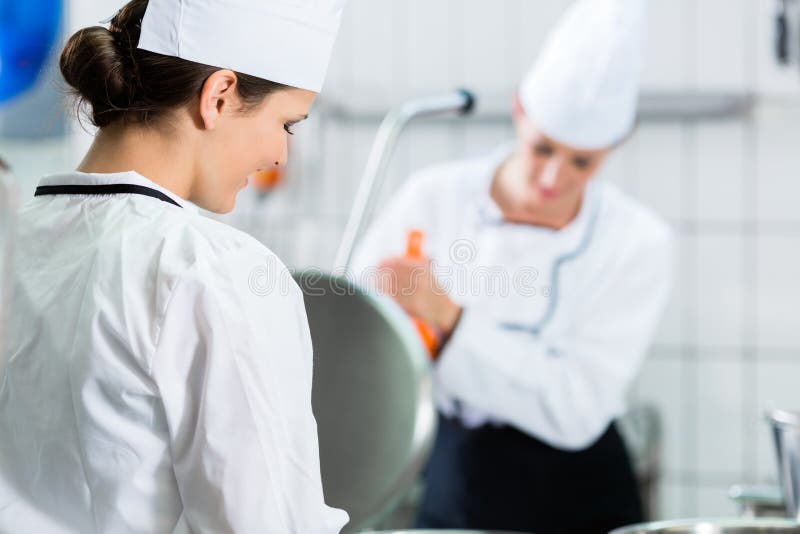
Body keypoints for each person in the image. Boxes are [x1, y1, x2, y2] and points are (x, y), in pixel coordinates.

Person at [0, 0, 349, 532]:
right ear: (219, 94)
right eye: (287, 123)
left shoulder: (14, 239)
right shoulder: (213, 272)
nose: (280, 153)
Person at [350, 0, 672, 532]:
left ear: (614, 147)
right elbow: (367, 332)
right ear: (521, 111)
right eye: (543, 148)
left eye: (581, 161)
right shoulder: (432, 199)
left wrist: (447, 315)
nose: (552, 177)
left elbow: (577, 405)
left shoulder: (637, 242)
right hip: (461, 472)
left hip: (583, 488)